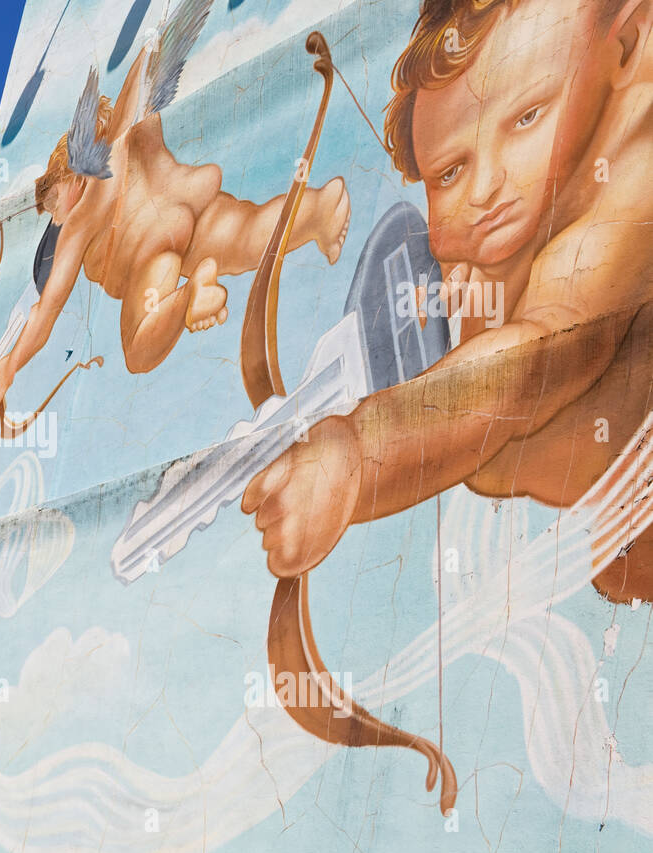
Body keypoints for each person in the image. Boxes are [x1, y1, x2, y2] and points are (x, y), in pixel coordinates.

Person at [241, 0, 653, 603]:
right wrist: (462, 253)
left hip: (596, 428)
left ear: (627, 43)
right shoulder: (554, 154)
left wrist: (363, 451)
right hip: (590, 460)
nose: (485, 188)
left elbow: (541, 351)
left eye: (527, 117)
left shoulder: (630, 177)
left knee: (508, 439)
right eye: (450, 173)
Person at [0, 20, 351, 412]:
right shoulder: (127, 132)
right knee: (248, 232)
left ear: (70, 174)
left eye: (54, 204)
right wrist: (150, 44)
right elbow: (138, 81)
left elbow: (48, 308)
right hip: (191, 203)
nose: (55, 220)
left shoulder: (82, 216)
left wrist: (8, 367)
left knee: (139, 347)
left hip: (153, 253)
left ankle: (188, 297)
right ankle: (318, 210)